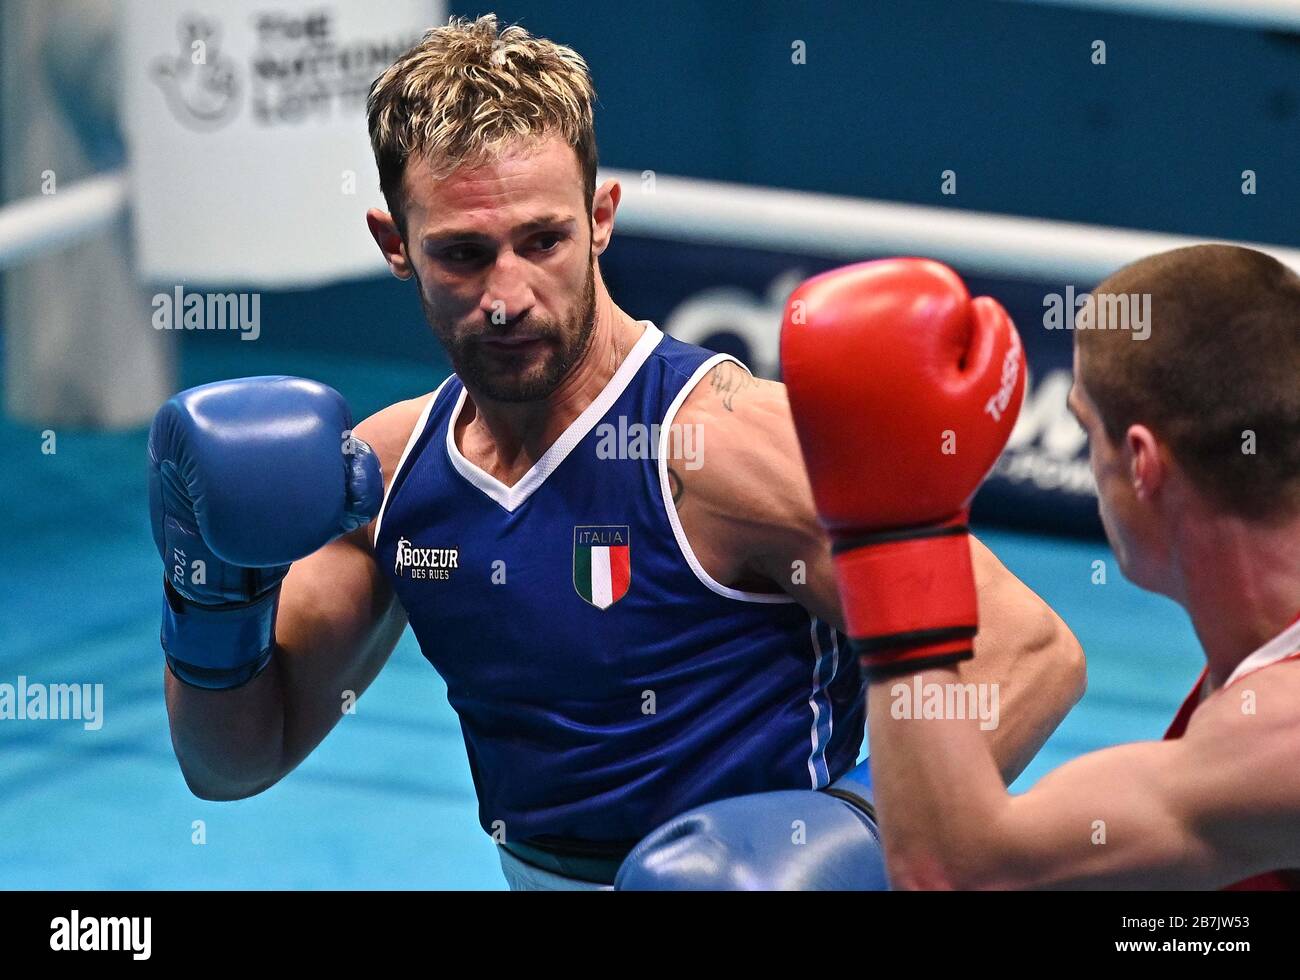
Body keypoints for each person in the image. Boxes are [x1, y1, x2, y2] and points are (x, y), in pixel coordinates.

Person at [148, 14, 1083, 891]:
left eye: (543, 241)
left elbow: (1031, 651)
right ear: (396, 243)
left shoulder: (719, 444)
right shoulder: (388, 473)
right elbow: (235, 762)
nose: (507, 295)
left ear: (600, 218)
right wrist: (207, 590)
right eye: (464, 254)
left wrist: (855, 827)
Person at [783, 243, 1300, 889]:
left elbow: (956, 869)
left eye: (1087, 429)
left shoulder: (1276, 741)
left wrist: (895, 536)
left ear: (1141, 463)